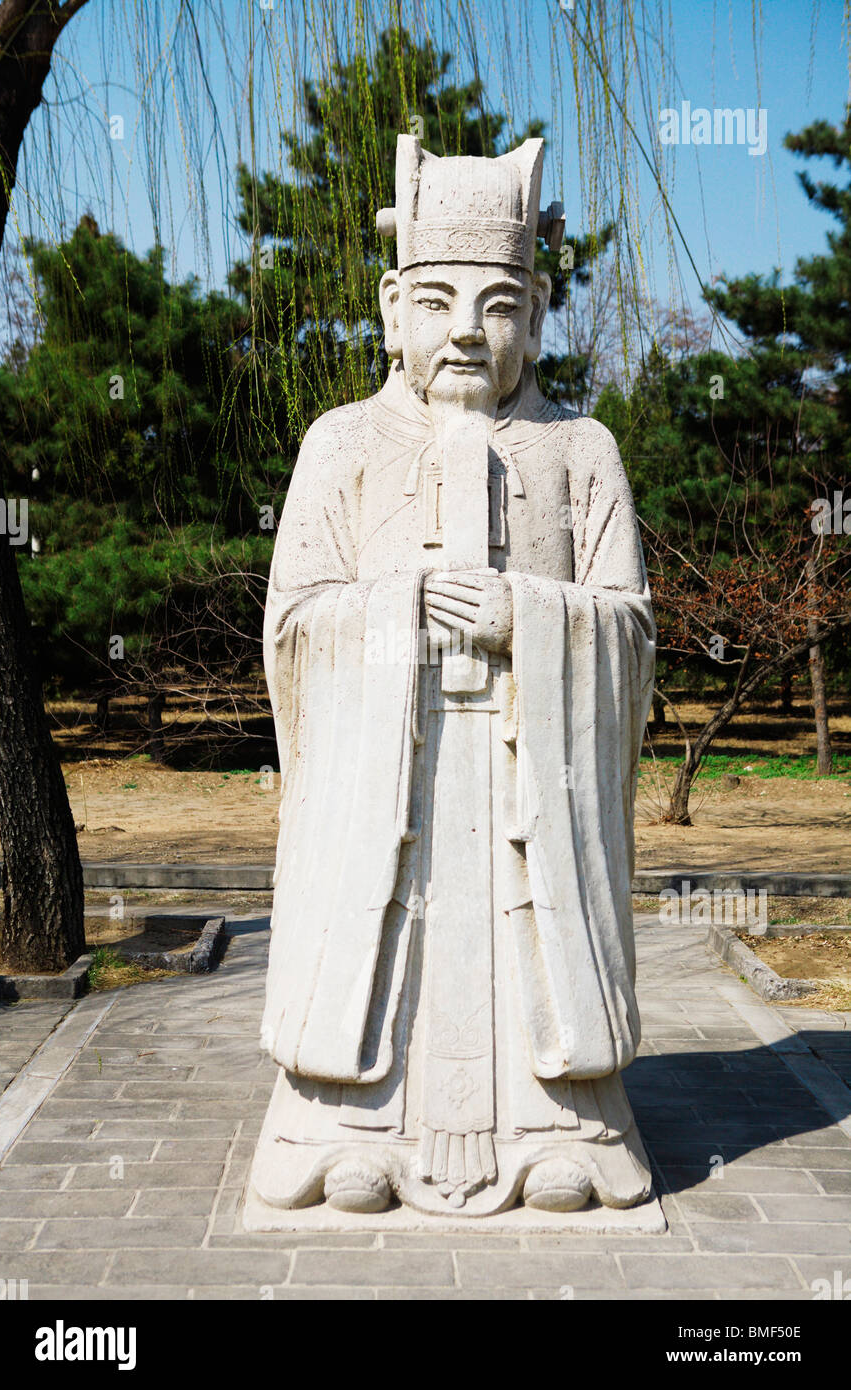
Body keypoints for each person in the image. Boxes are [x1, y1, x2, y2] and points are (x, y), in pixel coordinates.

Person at [245, 136, 656, 1220]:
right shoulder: (342, 445)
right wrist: (393, 616)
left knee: (528, 929)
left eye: (499, 303)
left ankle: (553, 1122)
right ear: (392, 307)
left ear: (537, 307)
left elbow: (628, 628)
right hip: (389, 765)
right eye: (436, 300)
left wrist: (528, 617)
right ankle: (346, 1122)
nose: (468, 329)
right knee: (390, 921)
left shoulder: (579, 450)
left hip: (529, 765)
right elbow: (291, 625)